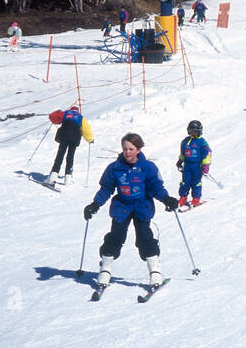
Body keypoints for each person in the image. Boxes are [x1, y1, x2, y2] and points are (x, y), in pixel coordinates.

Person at [83, 133, 179, 288]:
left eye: (131, 149)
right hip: (122, 207)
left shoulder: (147, 167)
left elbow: (156, 187)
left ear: (139, 149)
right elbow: (106, 188)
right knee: (115, 236)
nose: (127, 152)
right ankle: (105, 269)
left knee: (144, 237)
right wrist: (95, 204)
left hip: (142, 206)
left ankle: (155, 270)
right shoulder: (115, 168)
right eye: (125, 149)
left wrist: (166, 199)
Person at [47, 105, 94, 186]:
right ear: (78, 111)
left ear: (71, 110)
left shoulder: (65, 113)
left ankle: (52, 177)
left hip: (64, 136)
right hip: (75, 138)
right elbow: (86, 129)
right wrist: (90, 139)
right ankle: (68, 179)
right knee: (70, 157)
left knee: (60, 155)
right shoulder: (80, 117)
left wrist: (58, 111)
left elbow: (52, 116)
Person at [176, 120, 212, 208]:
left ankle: (196, 199)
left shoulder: (202, 142)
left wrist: (205, 165)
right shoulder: (185, 141)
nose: (193, 134)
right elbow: (183, 153)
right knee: (185, 182)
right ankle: (183, 197)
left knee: (196, 183)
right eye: (192, 131)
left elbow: (207, 154)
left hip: (197, 166)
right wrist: (180, 160)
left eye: (196, 132)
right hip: (187, 166)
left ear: (199, 131)